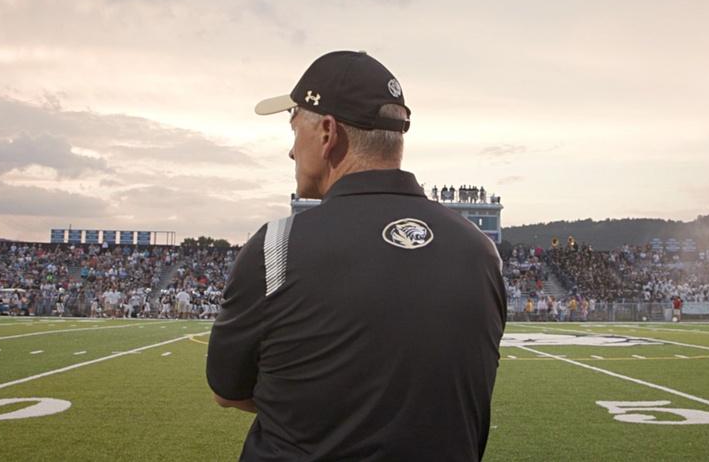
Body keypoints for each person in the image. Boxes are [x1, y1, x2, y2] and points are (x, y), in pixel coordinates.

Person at [207, 51, 506, 461]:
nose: (291, 151)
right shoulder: (479, 251)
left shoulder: (276, 247)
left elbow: (228, 391)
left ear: (327, 132)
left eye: (294, 129)